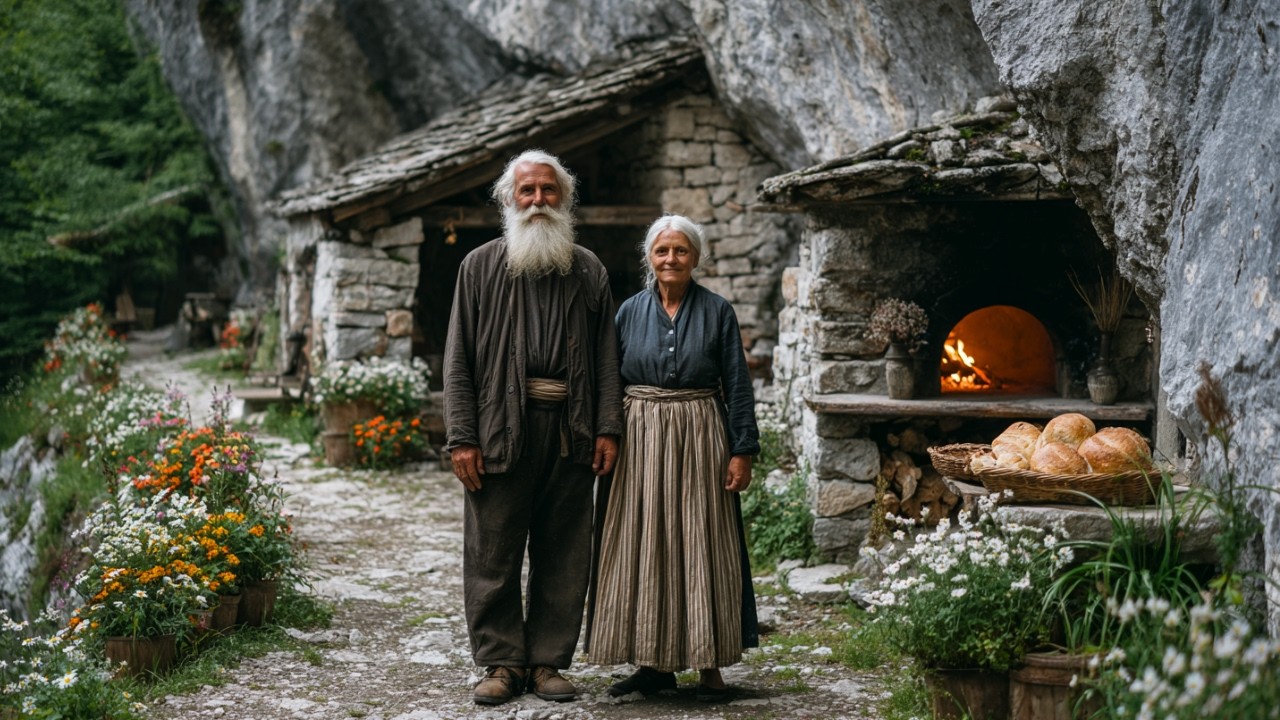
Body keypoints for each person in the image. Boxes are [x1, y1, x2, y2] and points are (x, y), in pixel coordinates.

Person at [443, 149, 623, 706]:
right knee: (492, 548)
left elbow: (607, 358)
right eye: (528, 191)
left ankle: (547, 662)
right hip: (499, 430)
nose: (539, 201)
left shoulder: (588, 269)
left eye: (549, 191)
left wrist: (608, 429)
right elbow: (457, 361)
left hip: (570, 430)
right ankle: (501, 662)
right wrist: (462, 436)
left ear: (564, 199)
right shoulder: (477, 267)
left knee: (564, 549)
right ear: (508, 199)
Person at [587, 214, 759, 703]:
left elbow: (737, 384)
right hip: (639, 438)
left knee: (702, 539)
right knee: (644, 541)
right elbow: (609, 381)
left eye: (681, 251)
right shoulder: (628, 312)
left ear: (696, 258)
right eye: (662, 251)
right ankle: (650, 663)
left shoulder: (718, 311)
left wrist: (742, 449)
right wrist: (608, 434)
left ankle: (710, 667)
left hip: (701, 435)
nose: (671, 259)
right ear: (649, 257)